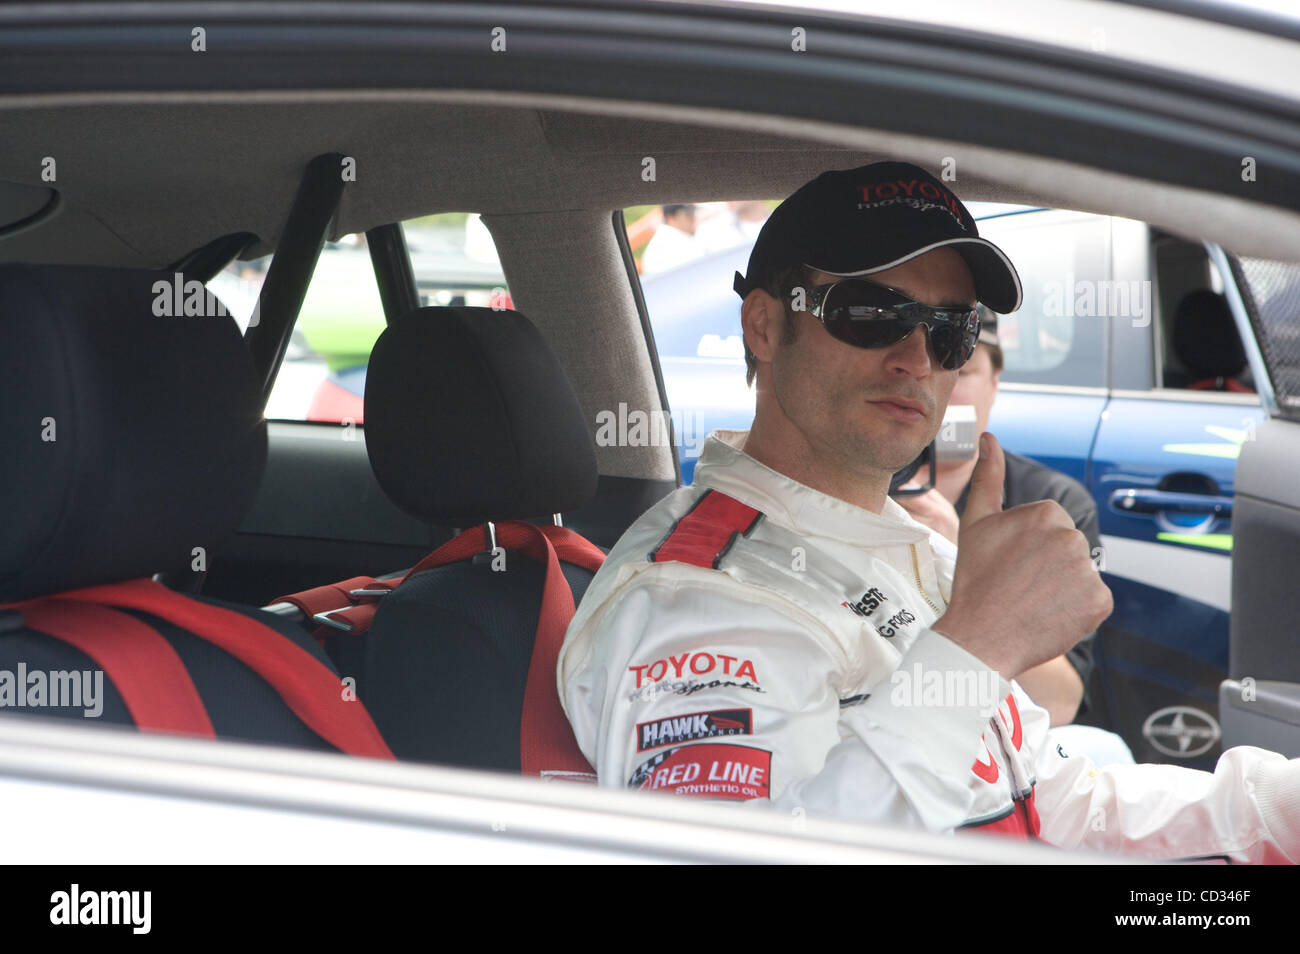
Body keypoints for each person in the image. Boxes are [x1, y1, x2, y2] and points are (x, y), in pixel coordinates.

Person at [557, 161, 1300, 861]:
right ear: (762, 325)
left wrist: (1275, 806)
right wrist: (976, 645)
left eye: (951, 331)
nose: (917, 358)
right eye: (872, 313)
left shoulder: (906, 549)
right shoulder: (695, 597)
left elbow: (1054, 800)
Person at [894, 312, 1135, 766]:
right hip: (891, 722)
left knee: (1107, 755)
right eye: (930, 364)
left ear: (994, 382)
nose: (941, 385)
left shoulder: (1050, 504)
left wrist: (960, 560)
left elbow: (1060, 702)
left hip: (1010, 736)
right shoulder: (865, 487)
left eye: (961, 369)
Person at [641, 204, 700, 275]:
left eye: (693, 213)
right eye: (688, 214)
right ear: (671, 218)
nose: (693, 218)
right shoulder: (675, 242)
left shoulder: (663, 239)